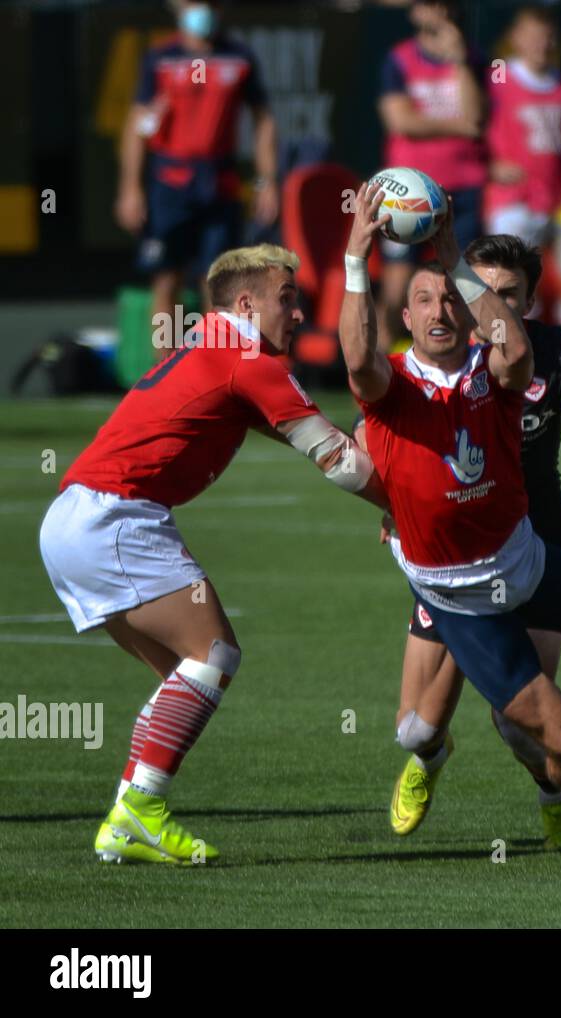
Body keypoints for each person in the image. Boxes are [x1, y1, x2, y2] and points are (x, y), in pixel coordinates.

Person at [341, 183, 561, 859]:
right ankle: (466, 764)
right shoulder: (394, 384)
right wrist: (358, 258)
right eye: (440, 295)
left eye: (500, 295)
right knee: (422, 733)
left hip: (530, 550)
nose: (473, 305)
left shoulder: (513, 366)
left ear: (525, 304)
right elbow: (361, 379)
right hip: (450, 579)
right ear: (410, 315)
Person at [39, 245, 387, 865]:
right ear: (248, 303)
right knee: (213, 653)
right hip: (115, 516)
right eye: (288, 298)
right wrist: (410, 508)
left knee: (185, 672)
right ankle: (141, 810)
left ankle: (130, 811)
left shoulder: (215, 343)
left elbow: (295, 430)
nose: (301, 314)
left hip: (76, 517)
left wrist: (347, 448)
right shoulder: (248, 358)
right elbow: (336, 462)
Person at [115, 0, 278, 337]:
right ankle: (165, 370)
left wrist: (267, 182)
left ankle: (214, 372)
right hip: (169, 182)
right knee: (166, 277)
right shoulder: (160, 58)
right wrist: (130, 187)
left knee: (218, 281)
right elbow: (137, 125)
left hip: (219, 180)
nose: (202, 9)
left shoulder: (239, 56)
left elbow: (263, 120)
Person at [376, 0, 486, 351]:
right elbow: (401, 120)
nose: (432, 10)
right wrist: (459, 126)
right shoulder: (400, 59)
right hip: (406, 192)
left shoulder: (473, 58)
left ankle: (465, 372)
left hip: (461, 187)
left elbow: (478, 117)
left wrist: (458, 61)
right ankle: (375, 371)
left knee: (465, 281)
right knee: (396, 285)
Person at [483, 5, 561, 339]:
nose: (540, 44)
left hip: (560, 205)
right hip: (512, 203)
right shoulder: (497, 80)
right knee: (515, 285)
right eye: (532, 36)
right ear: (516, 38)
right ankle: (517, 360)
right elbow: (469, 134)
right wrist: (490, 166)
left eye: (546, 37)